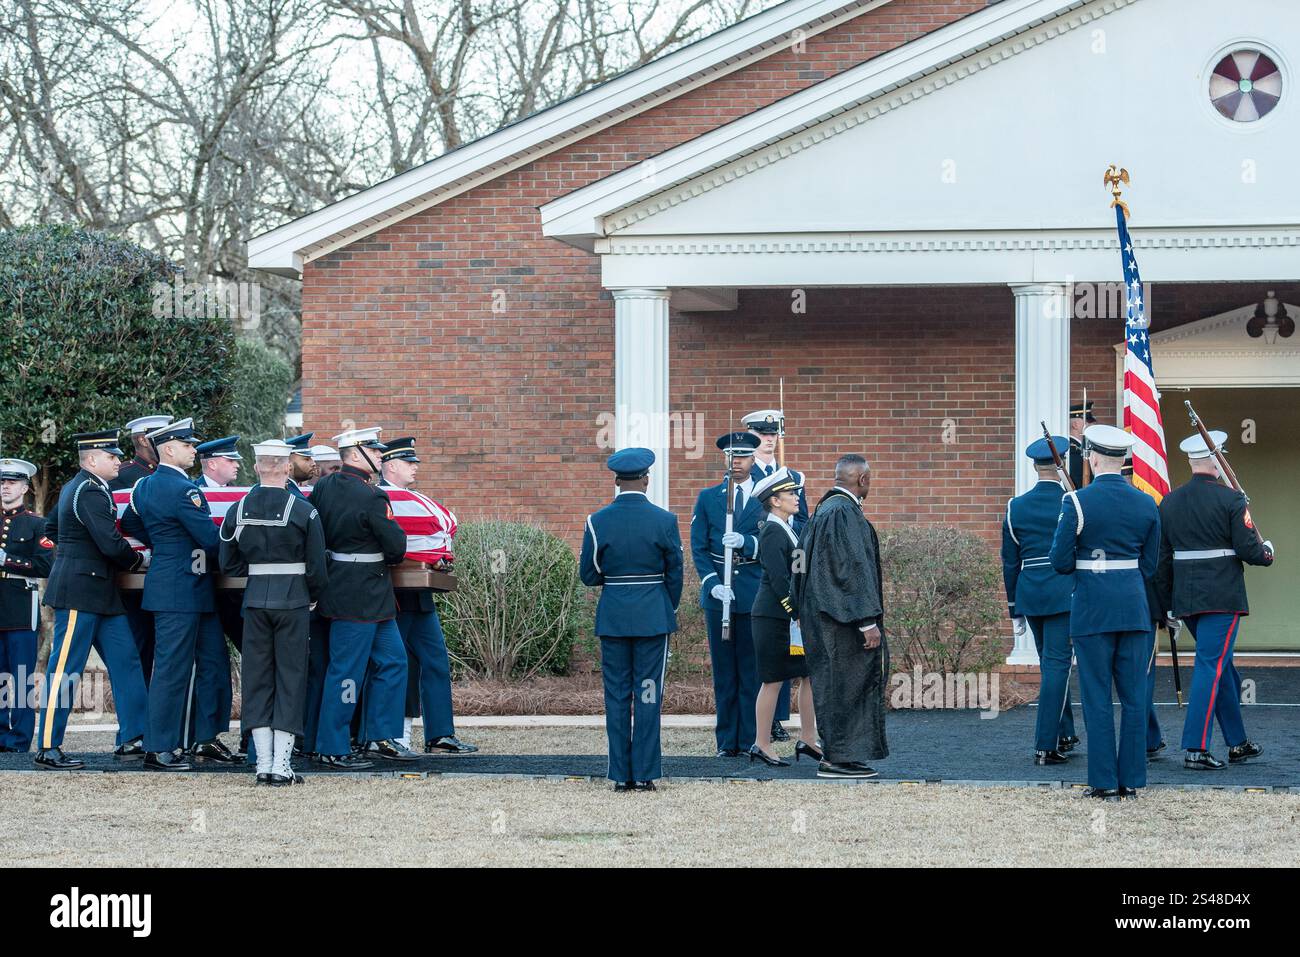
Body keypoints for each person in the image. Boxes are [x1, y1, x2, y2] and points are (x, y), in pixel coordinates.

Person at [1049, 424, 1160, 801]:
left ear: (1093, 458)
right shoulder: (1147, 503)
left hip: (1092, 613)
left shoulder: (1076, 503)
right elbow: (1150, 564)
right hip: (1133, 610)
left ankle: (1104, 782)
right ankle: (1131, 782)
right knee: (1134, 698)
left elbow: (1060, 561)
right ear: (1124, 460)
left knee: (1096, 698)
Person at [121, 417, 237, 771]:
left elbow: (130, 523)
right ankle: (159, 748)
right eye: (188, 446)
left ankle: (203, 737)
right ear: (169, 449)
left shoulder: (144, 486)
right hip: (180, 589)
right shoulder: (181, 489)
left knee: (213, 662)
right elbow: (208, 539)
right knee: (172, 670)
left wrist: (163, 542)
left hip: (187, 587)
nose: (193, 450)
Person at [1155, 430, 1273, 771]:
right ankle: (1196, 747)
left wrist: (1165, 606)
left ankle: (1237, 742)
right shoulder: (1232, 500)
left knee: (1222, 667)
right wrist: (1268, 553)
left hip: (1187, 599)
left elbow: (1163, 559)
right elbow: (1250, 551)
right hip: (1221, 596)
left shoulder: (1170, 501)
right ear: (1216, 462)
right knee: (1210, 666)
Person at [35, 430, 150, 769]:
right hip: (80, 593)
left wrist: (74, 552)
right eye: (111, 456)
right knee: (65, 670)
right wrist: (140, 560)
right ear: (91, 461)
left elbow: (53, 529)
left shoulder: (87, 488)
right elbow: (110, 543)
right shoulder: (88, 490)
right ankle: (47, 746)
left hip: (100, 592)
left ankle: (134, 736)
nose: (118, 460)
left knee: (126, 662)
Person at [219, 439, 328, 785]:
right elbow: (318, 567)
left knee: (257, 680)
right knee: (290, 679)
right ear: (285, 468)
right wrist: (312, 595)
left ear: (257, 468)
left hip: (255, 602)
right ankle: (282, 765)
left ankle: (263, 763)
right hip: (293, 600)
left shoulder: (237, 510)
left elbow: (228, 562)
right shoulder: (303, 511)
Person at [579, 448, 683, 791]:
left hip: (614, 618)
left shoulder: (597, 521)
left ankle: (620, 776)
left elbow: (590, 575)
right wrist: (665, 606)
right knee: (649, 694)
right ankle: (645, 773)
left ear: (616, 482)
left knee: (618, 694)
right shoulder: (664, 520)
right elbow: (675, 573)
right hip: (653, 616)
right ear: (646, 480)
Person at [309, 427, 412, 768]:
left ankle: (379, 735)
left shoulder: (323, 486)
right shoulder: (372, 497)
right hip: (362, 594)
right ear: (355, 455)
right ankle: (333, 745)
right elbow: (396, 548)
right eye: (375, 451)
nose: (382, 456)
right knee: (347, 673)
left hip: (351, 591)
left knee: (394, 661)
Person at [791, 454, 888, 779]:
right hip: (842, 623)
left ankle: (842, 754)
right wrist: (867, 621)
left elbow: (798, 560)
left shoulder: (823, 511)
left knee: (835, 686)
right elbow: (851, 570)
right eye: (870, 480)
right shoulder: (843, 513)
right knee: (845, 687)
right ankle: (837, 758)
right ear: (862, 480)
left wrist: (799, 604)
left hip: (822, 618)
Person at [378, 437, 476, 754]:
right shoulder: (381, 498)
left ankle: (439, 734)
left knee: (436, 662)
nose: (415, 467)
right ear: (390, 466)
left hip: (420, 594)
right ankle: (393, 735)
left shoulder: (411, 498)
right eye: (409, 463)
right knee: (397, 666)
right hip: (395, 594)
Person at [1000, 436, 1078, 765]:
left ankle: (1065, 732)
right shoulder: (1074, 502)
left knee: (1051, 663)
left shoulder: (1015, 506)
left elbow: (1010, 561)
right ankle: (1045, 745)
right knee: (1058, 665)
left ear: (1035, 466)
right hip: (1064, 590)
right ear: (1062, 464)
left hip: (1031, 593)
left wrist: (1014, 609)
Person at [691, 432, 763, 758]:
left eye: (743, 457)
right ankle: (726, 742)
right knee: (724, 673)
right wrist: (710, 582)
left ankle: (749, 739)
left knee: (750, 672)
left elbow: (783, 542)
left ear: (753, 460)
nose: (737, 462)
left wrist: (747, 544)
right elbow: (699, 547)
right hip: (719, 596)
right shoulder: (709, 498)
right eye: (732, 457)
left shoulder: (766, 498)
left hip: (752, 595)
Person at [742, 409, 808, 743]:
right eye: (761, 434)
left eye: (772, 434)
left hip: (783, 590)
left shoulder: (789, 477)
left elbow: (803, 528)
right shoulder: (745, 478)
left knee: (794, 671)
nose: (769, 439)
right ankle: (760, 739)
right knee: (770, 673)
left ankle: (795, 732)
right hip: (767, 593)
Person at [747, 467, 820, 767]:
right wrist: (797, 613)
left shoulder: (788, 528)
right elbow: (778, 579)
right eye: (790, 494)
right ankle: (762, 744)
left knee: (809, 675)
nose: (796, 497)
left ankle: (808, 738)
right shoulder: (772, 531)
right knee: (773, 681)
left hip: (789, 617)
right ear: (775, 501)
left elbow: (799, 571)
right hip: (773, 617)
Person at [110, 414, 172, 684]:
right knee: (139, 647)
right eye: (159, 437)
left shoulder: (162, 475)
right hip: (133, 578)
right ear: (143, 439)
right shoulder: (123, 476)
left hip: (162, 576)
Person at [0, 459, 54, 753]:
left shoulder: (37, 524)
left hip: (20, 607)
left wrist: (7, 560)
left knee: (20, 678)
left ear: (23, 487)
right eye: (2, 482)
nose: (5, 487)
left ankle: (19, 740)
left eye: (11, 482)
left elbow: (45, 564)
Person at [1121, 455, 1167, 761]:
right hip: (1143, 604)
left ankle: (1150, 737)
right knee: (1141, 675)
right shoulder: (1146, 508)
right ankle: (1142, 740)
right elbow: (1157, 564)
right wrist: (1167, 609)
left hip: (1104, 605)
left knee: (1131, 676)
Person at [109, 415, 172, 492]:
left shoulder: (170, 471)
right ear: (143, 441)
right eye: (160, 439)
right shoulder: (120, 475)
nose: (167, 444)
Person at [1066, 400, 1096, 490]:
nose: (1092, 424)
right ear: (1075, 425)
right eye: (1087, 422)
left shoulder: (1079, 449)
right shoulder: (1074, 452)